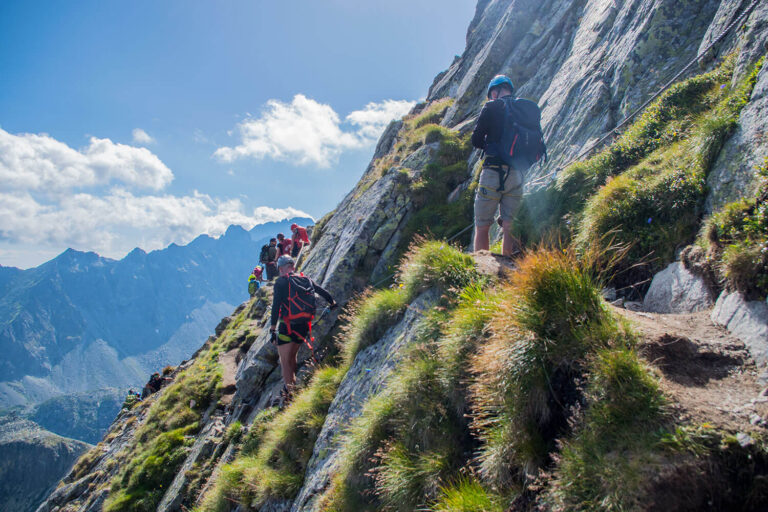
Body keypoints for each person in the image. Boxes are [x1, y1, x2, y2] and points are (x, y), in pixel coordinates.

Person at [471, 74, 545, 257]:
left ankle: (481, 268)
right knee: (509, 224)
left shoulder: (492, 107)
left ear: (494, 92)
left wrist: (491, 144)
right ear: (509, 89)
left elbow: (476, 140)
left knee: (482, 225)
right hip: (517, 174)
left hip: (492, 172)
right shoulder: (524, 109)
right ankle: (507, 263)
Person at [269, 255, 336, 400]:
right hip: (303, 326)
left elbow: (276, 307)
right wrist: (332, 302)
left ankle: (290, 393)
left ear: (281, 268)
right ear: (292, 266)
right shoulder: (305, 279)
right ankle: (292, 387)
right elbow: (321, 291)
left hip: (287, 326)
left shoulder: (281, 282)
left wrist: (272, 329)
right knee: (292, 356)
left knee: (285, 361)